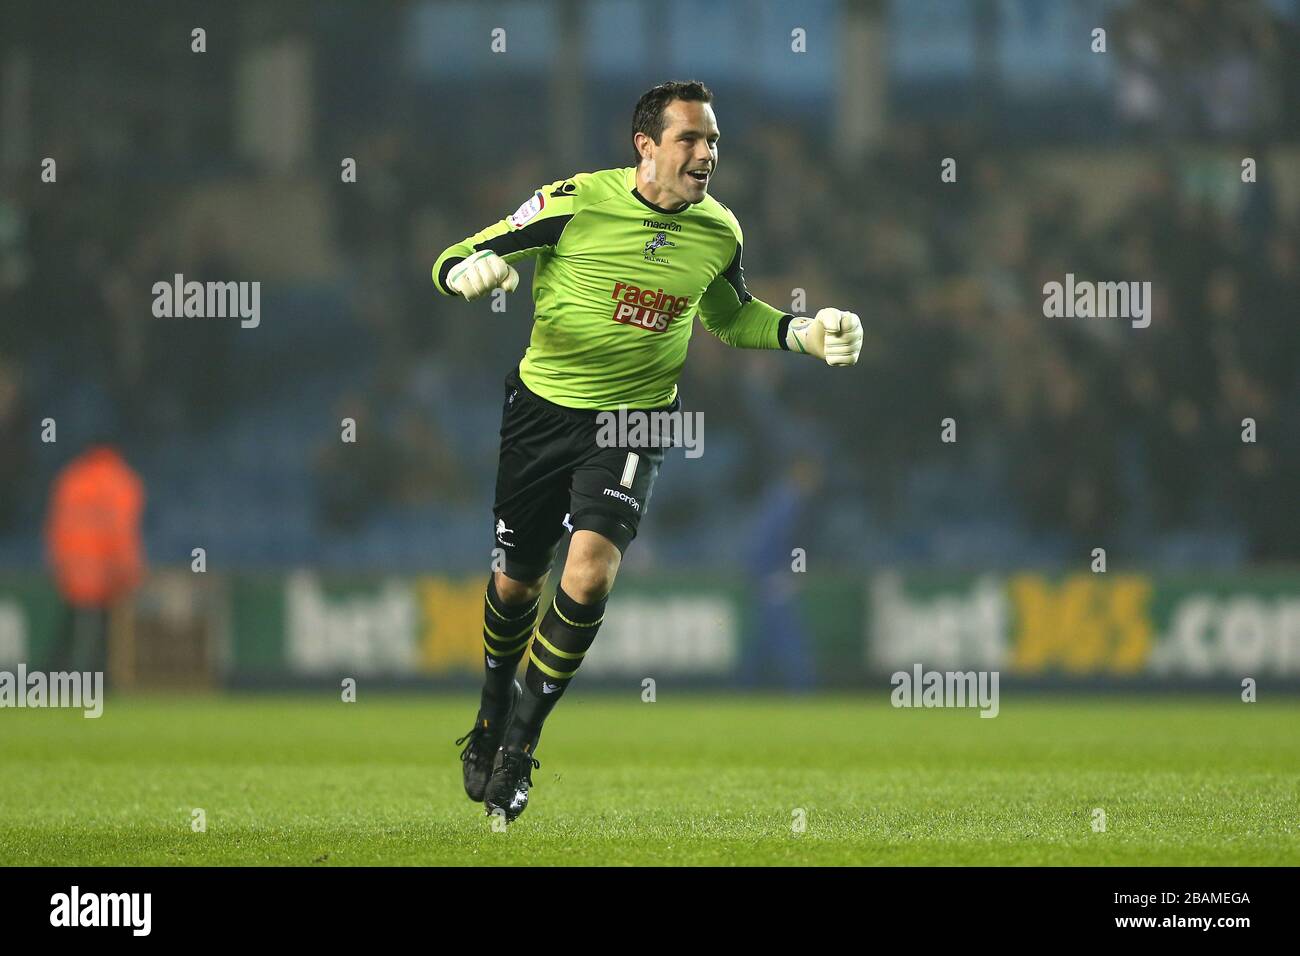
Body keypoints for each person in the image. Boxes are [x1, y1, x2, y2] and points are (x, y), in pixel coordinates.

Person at [433, 80, 862, 822]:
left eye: (715, 142)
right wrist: (464, 274)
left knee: (592, 571)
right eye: (692, 139)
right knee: (514, 588)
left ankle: (521, 749)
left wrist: (801, 332)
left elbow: (729, 318)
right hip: (540, 412)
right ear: (647, 146)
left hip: (636, 418)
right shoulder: (573, 203)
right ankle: (491, 711)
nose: (707, 155)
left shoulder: (719, 231)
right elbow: (458, 254)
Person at [45, 442, 146, 674]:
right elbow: (121, 532)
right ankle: (98, 681)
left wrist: (59, 564)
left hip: (73, 569)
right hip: (104, 572)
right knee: (102, 632)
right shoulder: (121, 481)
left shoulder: (72, 478)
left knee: (72, 628)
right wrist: (129, 570)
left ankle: (52, 680)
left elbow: (55, 527)